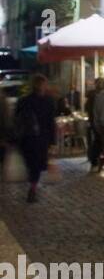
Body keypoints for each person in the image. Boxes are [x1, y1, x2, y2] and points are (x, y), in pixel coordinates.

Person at [13, 75, 57, 203]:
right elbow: (50, 122)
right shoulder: (48, 101)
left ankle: (32, 183)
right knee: (36, 165)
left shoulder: (23, 101)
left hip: (25, 138)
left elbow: (16, 120)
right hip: (40, 138)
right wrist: (52, 141)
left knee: (31, 163)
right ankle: (33, 186)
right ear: (43, 86)